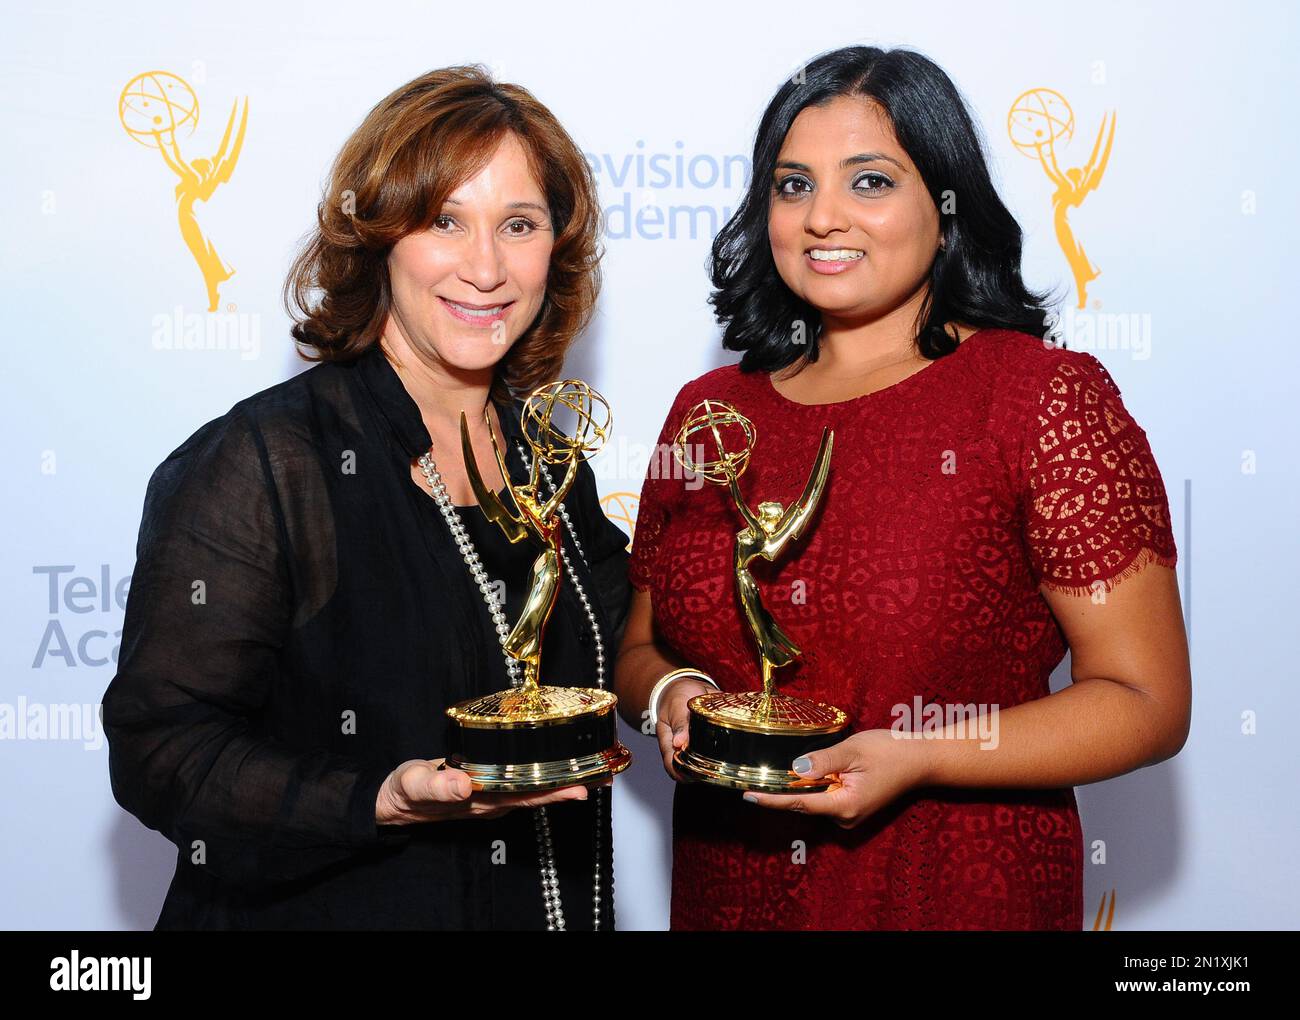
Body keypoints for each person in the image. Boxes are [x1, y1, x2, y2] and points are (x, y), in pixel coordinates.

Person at [614, 45, 1191, 930]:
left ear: (948, 207)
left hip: (950, 893)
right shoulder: (709, 412)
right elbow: (640, 647)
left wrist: (919, 755)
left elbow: (1145, 703)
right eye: (793, 184)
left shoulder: (1037, 396)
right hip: (728, 895)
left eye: (870, 182)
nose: (822, 217)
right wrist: (669, 698)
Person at [102, 65, 632, 930]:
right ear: (378, 237)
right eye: (445, 222)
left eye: (520, 224)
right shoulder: (270, 461)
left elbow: (627, 635)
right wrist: (376, 798)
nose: (486, 266)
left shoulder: (544, 458)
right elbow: (162, 752)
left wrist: (683, 690)